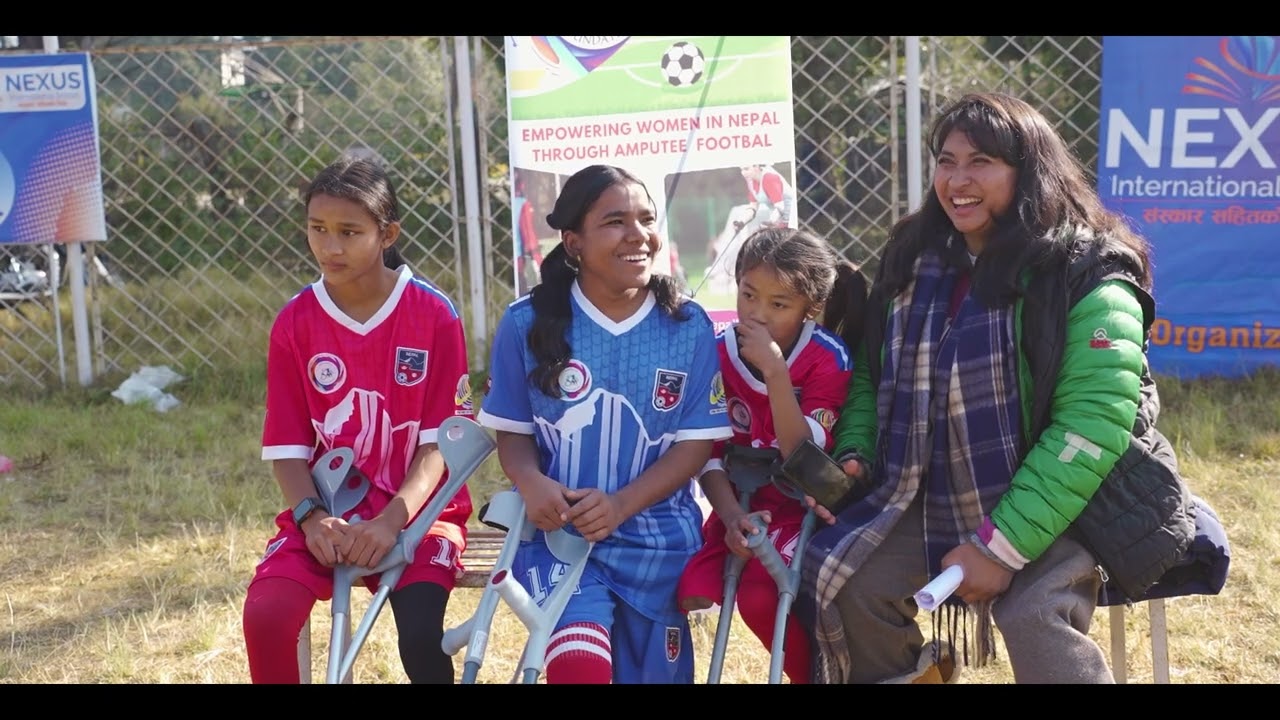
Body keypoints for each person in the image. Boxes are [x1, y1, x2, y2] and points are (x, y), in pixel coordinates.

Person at [797, 91, 1176, 684]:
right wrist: (855, 452)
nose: (957, 180)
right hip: (925, 491)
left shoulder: (1090, 273)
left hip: (1062, 501)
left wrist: (999, 548)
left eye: (981, 162)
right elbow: (872, 372)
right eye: (946, 161)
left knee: (1031, 614)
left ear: (1028, 172)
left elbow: (1091, 426)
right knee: (846, 581)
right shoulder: (914, 257)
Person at [477, 163, 733, 684]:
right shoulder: (525, 323)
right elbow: (514, 434)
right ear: (574, 242)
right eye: (616, 221)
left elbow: (694, 447)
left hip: (656, 541)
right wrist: (531, 483)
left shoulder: (688, 326)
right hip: (559, 537)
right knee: (579, 666)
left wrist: (620, 504)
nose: (638, 235)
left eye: (646, 218)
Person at [242, 155, 474, 684]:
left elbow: (439, 446)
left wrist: (392, 520)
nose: (330, 246)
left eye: (349, 232)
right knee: (267, 615)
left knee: (419, 637)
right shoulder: (295, 322)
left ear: (387, 232)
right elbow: (286, 448)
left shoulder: (434, 314)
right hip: (327, 509)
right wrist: (311, 517)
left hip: (419, 513)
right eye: (317, 229)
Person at [676, 226, 867, 684]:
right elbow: (708, 453)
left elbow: (803, 453)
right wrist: (728, 515)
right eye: (748, 295)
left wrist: (776, 371)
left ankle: (813, 676)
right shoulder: (716, 351)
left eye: (778, 305)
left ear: (811, 309)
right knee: (685, 590)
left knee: (763, 598)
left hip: (801, 507)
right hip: (736, 502)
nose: (757, 315)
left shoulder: (827, 358)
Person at [738, 164, 796, 230]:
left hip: (791, 219)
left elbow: (780, 207)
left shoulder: (769, 178)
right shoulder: (751, 181)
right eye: (741, 170)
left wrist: (769, 223)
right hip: (776, 221)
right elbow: (753, 206)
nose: (743, 173)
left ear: (756, 167)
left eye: (746, 169)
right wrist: (742, 222)